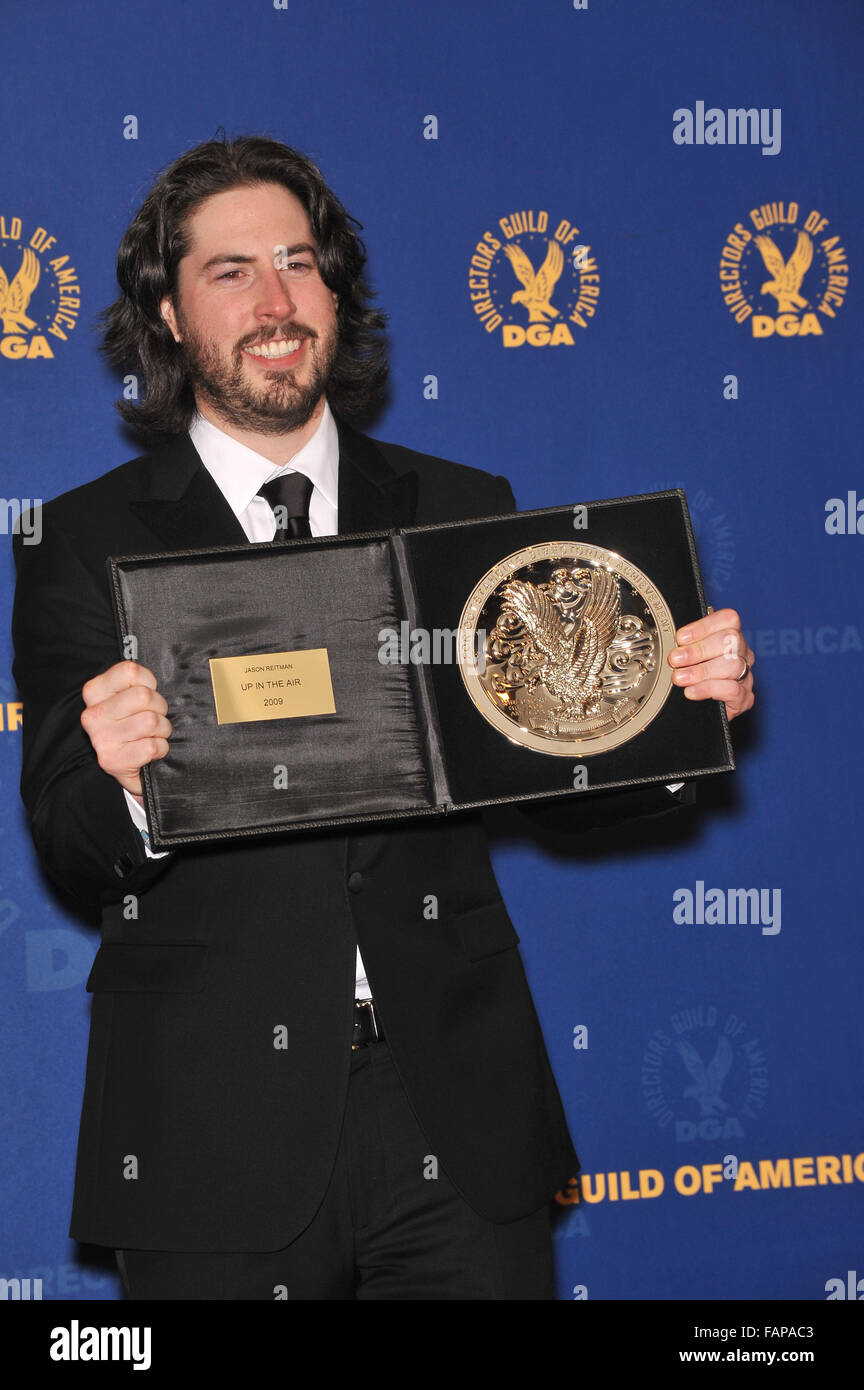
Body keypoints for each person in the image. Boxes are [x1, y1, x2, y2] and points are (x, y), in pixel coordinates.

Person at [11, 135, 755, 1301]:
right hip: (211, 1129)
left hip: (455, 1111)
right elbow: (69, 840)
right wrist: (121, 781)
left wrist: (669, 708)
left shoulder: (461, 507)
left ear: (334, 290)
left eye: (299, 263)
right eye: (231, 272)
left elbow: (551, 774)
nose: (276, 302)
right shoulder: (81, 540)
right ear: (165, 313)